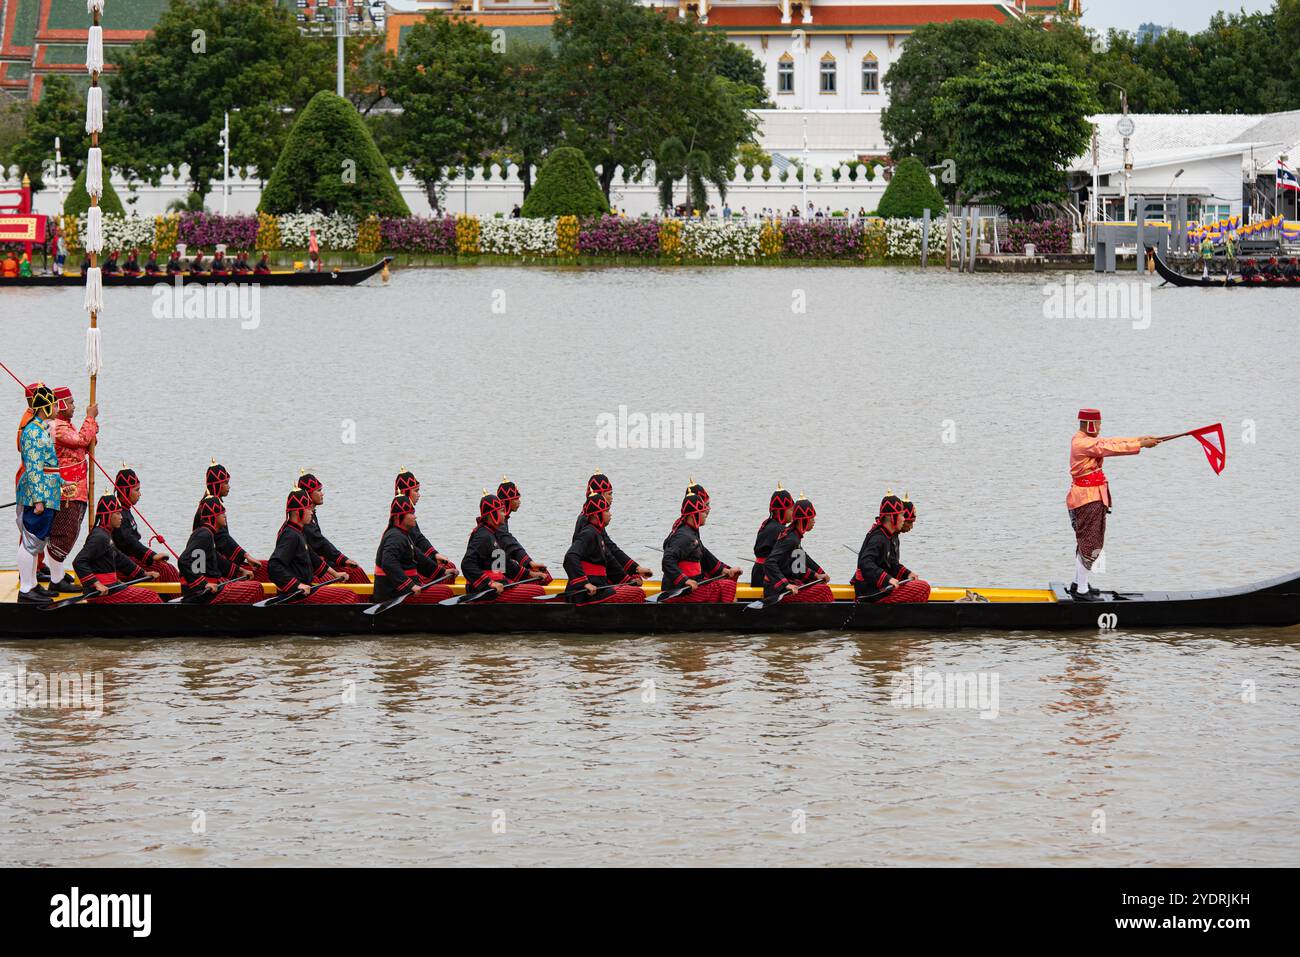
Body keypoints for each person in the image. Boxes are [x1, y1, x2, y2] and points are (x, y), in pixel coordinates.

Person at [1067, 409, 1161, 601]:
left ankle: (1079, 583)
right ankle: (1082, 591)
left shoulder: (1084, 439)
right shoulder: (1082, 443)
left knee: (1086, 540)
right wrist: (1140, 445)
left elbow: (1109, 442)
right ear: (1091, 424)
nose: (1101, 428)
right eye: (1099, 424)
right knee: (1091, 542)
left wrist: (1139, 439)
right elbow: (1109, 449)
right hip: (1088, 498)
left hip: (1090, 496)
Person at [45, 387, 98, 594]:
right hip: (67, 490)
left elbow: (83, 444)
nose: (74, 407)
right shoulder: (56, 426)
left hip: (76, 489)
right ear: (60, 405)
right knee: (64, 533)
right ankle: (56, 579)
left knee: (69, 531)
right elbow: (80, 440)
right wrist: (90, 418)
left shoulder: (66, 425)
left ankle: (56, 574)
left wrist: (90, 426)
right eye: (71, 403)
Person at [14, 384, 64, 603]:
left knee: (38, 541)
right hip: (39, 494)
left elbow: (49, 465)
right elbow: (34, 468)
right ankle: (26, 589)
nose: (57, 408)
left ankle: (33, 583)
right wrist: (38, 500)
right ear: (46, 407)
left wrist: (63, 483)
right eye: (54, 404)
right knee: (30, 541)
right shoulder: (33, 432)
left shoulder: (41, 429)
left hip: (48, 490)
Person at [267, 488, 357, 604]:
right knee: (348, 595)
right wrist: (297, 585)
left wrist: (336, 574)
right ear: (297, 512)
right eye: (308, 509)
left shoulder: (298, 531)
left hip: (307, 588)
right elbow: (274, 566)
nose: (311, 512)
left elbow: (313, 557)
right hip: (296, 595)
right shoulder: (290, 535)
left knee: (345, 590)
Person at [71, 495, 162, 603]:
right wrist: (96, 584)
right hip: (102, 591)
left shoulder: (106, 534)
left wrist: (143, 573)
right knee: (151, 597)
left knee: (150, 594)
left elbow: (119, 558)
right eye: (118, 513)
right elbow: (78, 562)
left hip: (112, 586)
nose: (121, 517)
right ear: (108, 515)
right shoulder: (99, 537)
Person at [460, 490, 546, 602]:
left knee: (541, 579)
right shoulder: (483, 536)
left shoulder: (491, 533)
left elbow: (504, 563)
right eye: (501, 511)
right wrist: (489, 583)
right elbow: (467, 564)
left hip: (499, 582)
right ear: (493, 514)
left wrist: (530, 574)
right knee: (538, 592)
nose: (504, 515)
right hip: (487, 590)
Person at [177, 496, 265, 604]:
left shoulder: (207, 533)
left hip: (208, 587)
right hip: (204, 593)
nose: (225, 516)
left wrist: (240, 571)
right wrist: (203, 584)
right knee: (256, 587)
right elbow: (184, 561)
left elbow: (215, 559)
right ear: (212, 516)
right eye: (221, 513)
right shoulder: (204, 535)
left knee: (248, 582)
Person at [563, 493, 649, 604]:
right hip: (586, 593)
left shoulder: (598, 534)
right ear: (595, 515)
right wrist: (585, 583)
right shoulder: (588, 533)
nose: (610, 514)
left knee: (636, 590)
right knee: (638, 594)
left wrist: (630, 581)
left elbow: (611, 563)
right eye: (606, 511)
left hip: (600, 587)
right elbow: (570, 556)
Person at [373, 494, 455, 603]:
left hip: (403, 590)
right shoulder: (395, 537)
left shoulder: (402, 534)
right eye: (411, 513)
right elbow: (388, 563)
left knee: (444, 584)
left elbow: (418, 558)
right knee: (445, 592)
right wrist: (410, 585)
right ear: (398, 517)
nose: (415, 517)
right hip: (395, 594)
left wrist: (442, 572)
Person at [660, 492, 740, 603]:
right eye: (703, 511)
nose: (706, 514)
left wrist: (725, 570)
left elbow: (705, 557)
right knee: (728, 586)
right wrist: (685, 580)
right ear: (694, 514)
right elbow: (667, 561)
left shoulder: (691, 533)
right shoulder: (683, 536)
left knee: (726, 580)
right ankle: (725, 617)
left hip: (692, 586)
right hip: (679, 591)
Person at [852, 492, 930, 603]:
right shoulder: (878, 537)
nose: (904, 519)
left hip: (882, 588)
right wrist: (888, 579)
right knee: (923, 587)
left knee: (919, 585)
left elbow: (892, 564)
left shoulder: (889, 536)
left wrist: (907, 574)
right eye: (902, 515)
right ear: (892, 517)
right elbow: (865, 563)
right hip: (872, 592)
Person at [196, 459, 267, 581]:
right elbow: (222, 541)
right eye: (226, 483)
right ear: (217, 484)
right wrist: (242, 563)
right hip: (212, 566)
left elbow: (223, 539)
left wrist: (245, 557)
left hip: (219, 559)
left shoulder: (213, 504)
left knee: (264, 567)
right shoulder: (210, 508)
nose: (229, 487)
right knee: (260, 574)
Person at [296, 471, 368, 584]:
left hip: (321, 563)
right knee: (347, 579)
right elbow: (320, 543)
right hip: (312, 569)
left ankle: (370, 600)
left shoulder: (311, 515)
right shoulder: (304, 521)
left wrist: (342, 561)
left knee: (356, 571)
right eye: (318, 490)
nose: (322, 494)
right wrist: (343, 560)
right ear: (307, 494)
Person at [111, 467, 179, 582]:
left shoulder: (126, 510)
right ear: (126, 491)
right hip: (123, 562)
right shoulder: (118, 514)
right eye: (137, 490)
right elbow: (128, 541)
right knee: (164, 569)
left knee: (170, 568)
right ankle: (176, 599)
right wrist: (151, 555)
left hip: (134, 556)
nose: (139, 494)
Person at [763, 495, 832, 602]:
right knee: (824, 591)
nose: (814, 522)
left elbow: (797, 567)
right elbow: (769, 563)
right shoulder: (791, 539)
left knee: (818, 584)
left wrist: (817, 575)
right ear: (803, 520)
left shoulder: (795, 536)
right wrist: (786, 585)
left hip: (785, 585)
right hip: (776, 590)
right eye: (811, 518)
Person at [393, 470, 459, 584]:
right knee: (447, 572)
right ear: (406, 492)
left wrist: (434, 555)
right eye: (416, 491)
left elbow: (418, 539)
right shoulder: (402, 520)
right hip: (407, 572)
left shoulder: (408, 516)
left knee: (448, 566)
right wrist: (433, 560)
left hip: (416, 560)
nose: (419, 494)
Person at [495, 477, 551, 584]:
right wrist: (528, 566)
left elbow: (509, 545)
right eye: (516, 499)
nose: (519, 502)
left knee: (544, 573)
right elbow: (508, 543)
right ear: (508, 501)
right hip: (498, 569)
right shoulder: (497, 523)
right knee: (544, 578)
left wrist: (527, 563)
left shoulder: (501, 521)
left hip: (502, 564)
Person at [752, 484, 794, 588]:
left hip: (757, 573)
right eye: (791, 510)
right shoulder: (781, 530)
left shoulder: (765, 525)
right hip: (770, 578)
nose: (793, 513)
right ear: (781, 511)